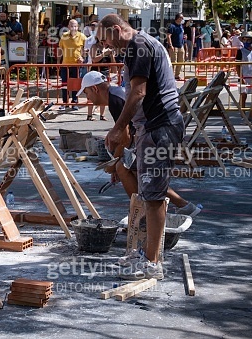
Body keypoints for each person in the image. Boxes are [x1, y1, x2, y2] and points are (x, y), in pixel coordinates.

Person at [97, 14, 185, 280]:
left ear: (116, 30)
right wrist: (132, 132)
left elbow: (138, 92)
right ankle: (148, 254)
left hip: (161, 127)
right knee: (148, 193)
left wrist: (119, 127)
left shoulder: (139, 45)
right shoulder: (139, 46)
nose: (108, 48)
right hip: (153, 127)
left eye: (106, 40)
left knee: (154, 196)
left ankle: (152, 263)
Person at [78, 70, 201, 218]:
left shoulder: (115, 100)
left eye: (86, 93)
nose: (88, 98)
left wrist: (113, 163)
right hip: (157, 132)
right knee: (138, 174)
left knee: (125, 169)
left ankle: (142, 212)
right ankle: (183, 206)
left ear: (95, 89)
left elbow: (125, 138)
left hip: (156, 134)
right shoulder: (115, 95)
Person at [57, 19, 86, 111]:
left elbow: (86, 49)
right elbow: (60, 50)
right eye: (72, 26)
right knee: (64, 84)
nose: (74, 27)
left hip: (76, 65)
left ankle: (74, 103)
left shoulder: (82, 36)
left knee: (75, 85)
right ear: (68, 27)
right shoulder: (64, 36)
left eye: (76, 26)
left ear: (78, 27)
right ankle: (65, 103)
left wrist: (83, 58)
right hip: (65, 65)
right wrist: (58, 63)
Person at [235, 31, 252, 111]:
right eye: (244, 40)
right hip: (244, 76)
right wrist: (241, 77)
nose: (246, 42)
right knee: (243, 95)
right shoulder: (240, 51)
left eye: (248, 40)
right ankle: (242, 112)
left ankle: (251, 115)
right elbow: (237, 66)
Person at [167, 13, 185, 81]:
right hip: (174, 46)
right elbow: (168, 36)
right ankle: (171, 76)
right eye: (181, 18)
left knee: (181, 61)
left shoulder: (181, 26)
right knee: (173, 61)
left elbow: (181, 35)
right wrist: (170, 45)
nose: (182, 19)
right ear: (177, 18)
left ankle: (177, 75)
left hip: (181, 46)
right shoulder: (172, 26)